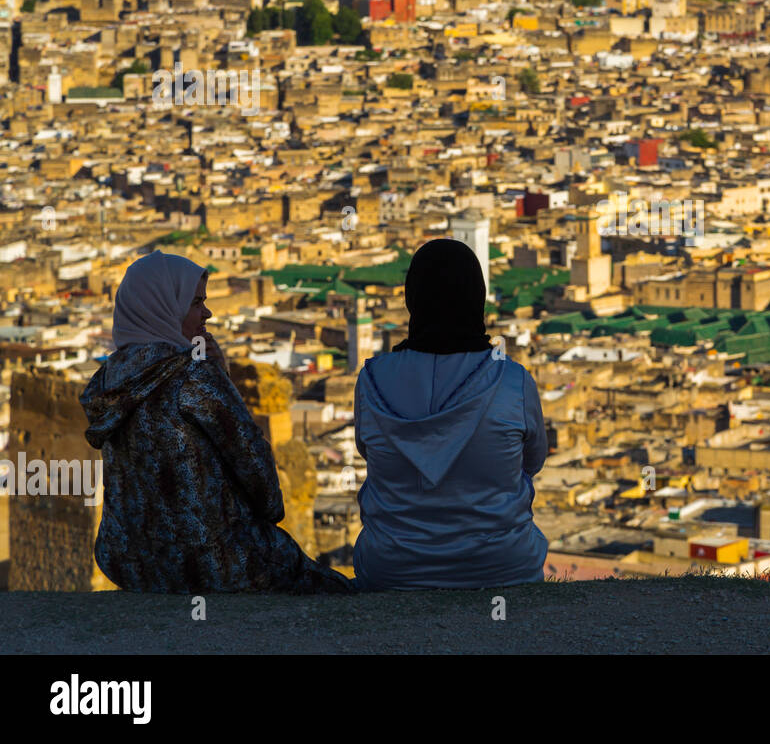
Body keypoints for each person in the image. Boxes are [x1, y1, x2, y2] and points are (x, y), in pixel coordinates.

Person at [80, 250, 353, 594]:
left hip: (129, 565)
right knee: (341, 593)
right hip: (213, 566)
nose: (206, 313)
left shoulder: (108, 386)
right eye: (196, 303)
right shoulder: (193, 379)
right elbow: (266, 492)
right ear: (165, 310)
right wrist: (221, 377)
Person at [353, 238, 549, 590]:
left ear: (413, 298)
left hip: (393, 570)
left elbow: (368, 454)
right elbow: (531, 462)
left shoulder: (372, 380)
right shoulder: (512, 380)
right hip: (501, 568)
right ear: (477, 297)